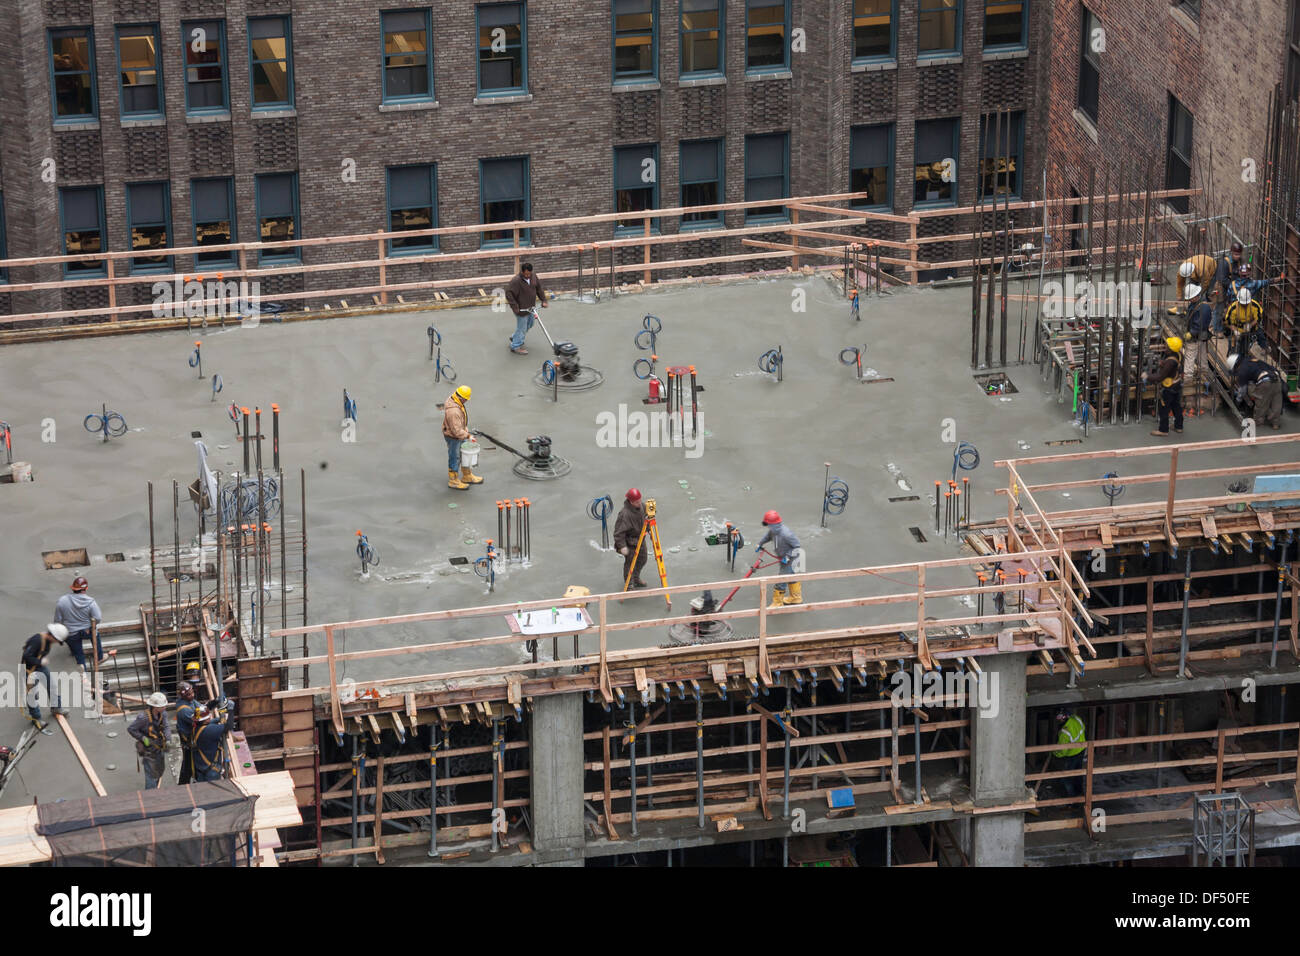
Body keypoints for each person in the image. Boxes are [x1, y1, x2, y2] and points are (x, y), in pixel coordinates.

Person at [53, 576, 115, 673]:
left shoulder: (62, 601)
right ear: (86, 588)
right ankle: (99, 657)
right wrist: (89, 626)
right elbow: (97, 618)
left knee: (78, 654)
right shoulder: (91, 602)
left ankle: (82, 670)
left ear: (73, 588)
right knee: (95, 632)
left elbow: (57, 621)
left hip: (71, 634)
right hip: (87, 631)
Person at [22, 624, 69, 733]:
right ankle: (36, 718)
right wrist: (40, 661)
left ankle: (56, 707)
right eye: (57, 640)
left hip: (40, 667)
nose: (57, 643)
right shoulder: (37, 640)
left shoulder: (48, 641)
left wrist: (41, 661)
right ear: (53, 636)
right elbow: (26, 656)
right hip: (30, 670)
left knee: (52, 686)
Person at [757, 510, 805, 607]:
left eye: (769, 525)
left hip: (791, 559)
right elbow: (767, 536)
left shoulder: (786, 534)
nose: (768, 527)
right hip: (783, 557)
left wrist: (787, 557)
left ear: (774, 524)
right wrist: (760, 543)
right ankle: (796, 598)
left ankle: (777, 602)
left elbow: (797, 547)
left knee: (781, 579)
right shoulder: (773, 531)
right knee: (790, 576)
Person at [441, 385, 482, 490]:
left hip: (459, 433)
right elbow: (456, 431)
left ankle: (467, 475)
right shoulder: (453, 411)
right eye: (466, 399)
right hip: (453, 437)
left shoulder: (456, 400)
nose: (467, 401)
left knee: (464, 455)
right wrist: (468, 436)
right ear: (462, 398)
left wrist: (465, 430)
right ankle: (453, 480)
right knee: (455, 457)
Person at [128, 692, 171, 789]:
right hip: (149, 750)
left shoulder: (162, 714)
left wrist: (168, 739)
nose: (164, 707)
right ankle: (150, 795)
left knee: (159, 771)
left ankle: (155, 789)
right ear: (155, 707)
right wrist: (143, 738)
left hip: (159, 746)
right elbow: (131, 729)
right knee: (151, 776)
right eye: (162, 706)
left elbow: (166, 727)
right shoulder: (143, 718)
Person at [1144, 336, 1184, 437]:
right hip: (1177, 385)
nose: (1165, 346)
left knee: (1164, 408)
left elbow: (1160, 377)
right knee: (1176, 406)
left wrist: (1147, 376)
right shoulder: (1178, 355)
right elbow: (1175, 369)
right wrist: (1163, 364)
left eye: (1167, 346)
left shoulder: (1170, 362)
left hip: (1169, 387)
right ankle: (1178, 427)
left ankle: (1163, 430)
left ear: (1170, 349)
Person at [505, 262, 548, 355]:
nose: (528, 276)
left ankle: (515, 337)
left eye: (529, 274)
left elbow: (539, 289)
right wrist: (515, 307)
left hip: (531, 307)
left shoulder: (533, 276)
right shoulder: (516, 281)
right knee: (522, 328)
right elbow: (508, 293)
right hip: (521, 309)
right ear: (522, 271)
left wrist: (544, 300)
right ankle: (515, 346)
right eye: (526, 274)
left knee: (530, 324)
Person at [1235, 355, 1285, 429]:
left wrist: (1237, 401)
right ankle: (1276, 423)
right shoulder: (1257, 361)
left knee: (1261, 402)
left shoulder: (1243, 369)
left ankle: (1258, 421)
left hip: (1265, 382)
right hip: (1277, 379)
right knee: (1276, 403)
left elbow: (1243, 389)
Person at [613, 488, 649, 589]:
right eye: (637, 501)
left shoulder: (642, 506)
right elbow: (618, 533)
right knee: (630, 563)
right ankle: (629, 583)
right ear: (631, 502)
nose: (639, 503)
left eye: (640, 500)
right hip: (630, 542)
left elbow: (648, 516)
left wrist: (650, 526)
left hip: (640, 538)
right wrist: (622, 546)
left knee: (642, 559)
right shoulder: (624, 514)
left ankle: (636, 578)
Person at [1182, 284, 1213, 391]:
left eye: (1190, 297)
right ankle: (1206, 377)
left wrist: (1191, 332)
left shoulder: (1203, 307)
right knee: (1202, 358)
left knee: (1189, 357)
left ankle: (1187, 380)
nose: (1189, 299)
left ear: (1196, 296)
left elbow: (1200, 324)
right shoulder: (1196, 304)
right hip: (1200, 338)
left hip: (1196, 337)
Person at [191, 700, 231, 782]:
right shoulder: (210, 730)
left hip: (200, 767)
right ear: (206, 720)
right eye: (209, 717)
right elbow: (229, 725)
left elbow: (209, 723)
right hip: (212, 771)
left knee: (203, 792)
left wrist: (218, 719)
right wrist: (231, 709)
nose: (210, 718)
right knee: (213, 793)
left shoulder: (195, 728)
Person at [1053, 708, 1087, 798]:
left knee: (1067, 779)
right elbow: (1083, 728)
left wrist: (1054, 753)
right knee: (1078, 773)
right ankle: (1080, 794)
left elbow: (1062, 751)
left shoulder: (1064, 732)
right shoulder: (1076, 718)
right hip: (1082, 749)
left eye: (1059, 718)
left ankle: (1072, 801)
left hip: (1072, 755)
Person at [175, 681, 200, 785]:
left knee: (191, 764)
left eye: (192, 692)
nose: (192, 695)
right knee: (188, 765)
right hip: (188, 742)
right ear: (182, 695)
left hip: (192, 738)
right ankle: (183, 785)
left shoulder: (191, 701)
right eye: (189, 694)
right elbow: (199, 720)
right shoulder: (183, 710)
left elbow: (200, 708)